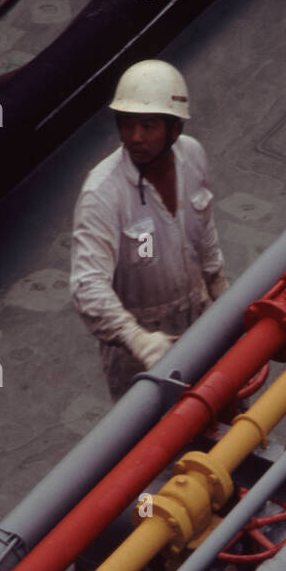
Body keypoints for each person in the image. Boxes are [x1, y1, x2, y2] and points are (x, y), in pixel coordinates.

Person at [70, 60, 229, 400]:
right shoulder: (103, 193)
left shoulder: (193, 157)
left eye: (148, 126)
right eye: (126, 125)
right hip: (140, 345)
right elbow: (87, 285)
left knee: (225, 412)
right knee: (154, 440)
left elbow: (205, 227)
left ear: (175, 129)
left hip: (199, 317)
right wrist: (137, 339)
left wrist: (219, 287)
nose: (134, 138)